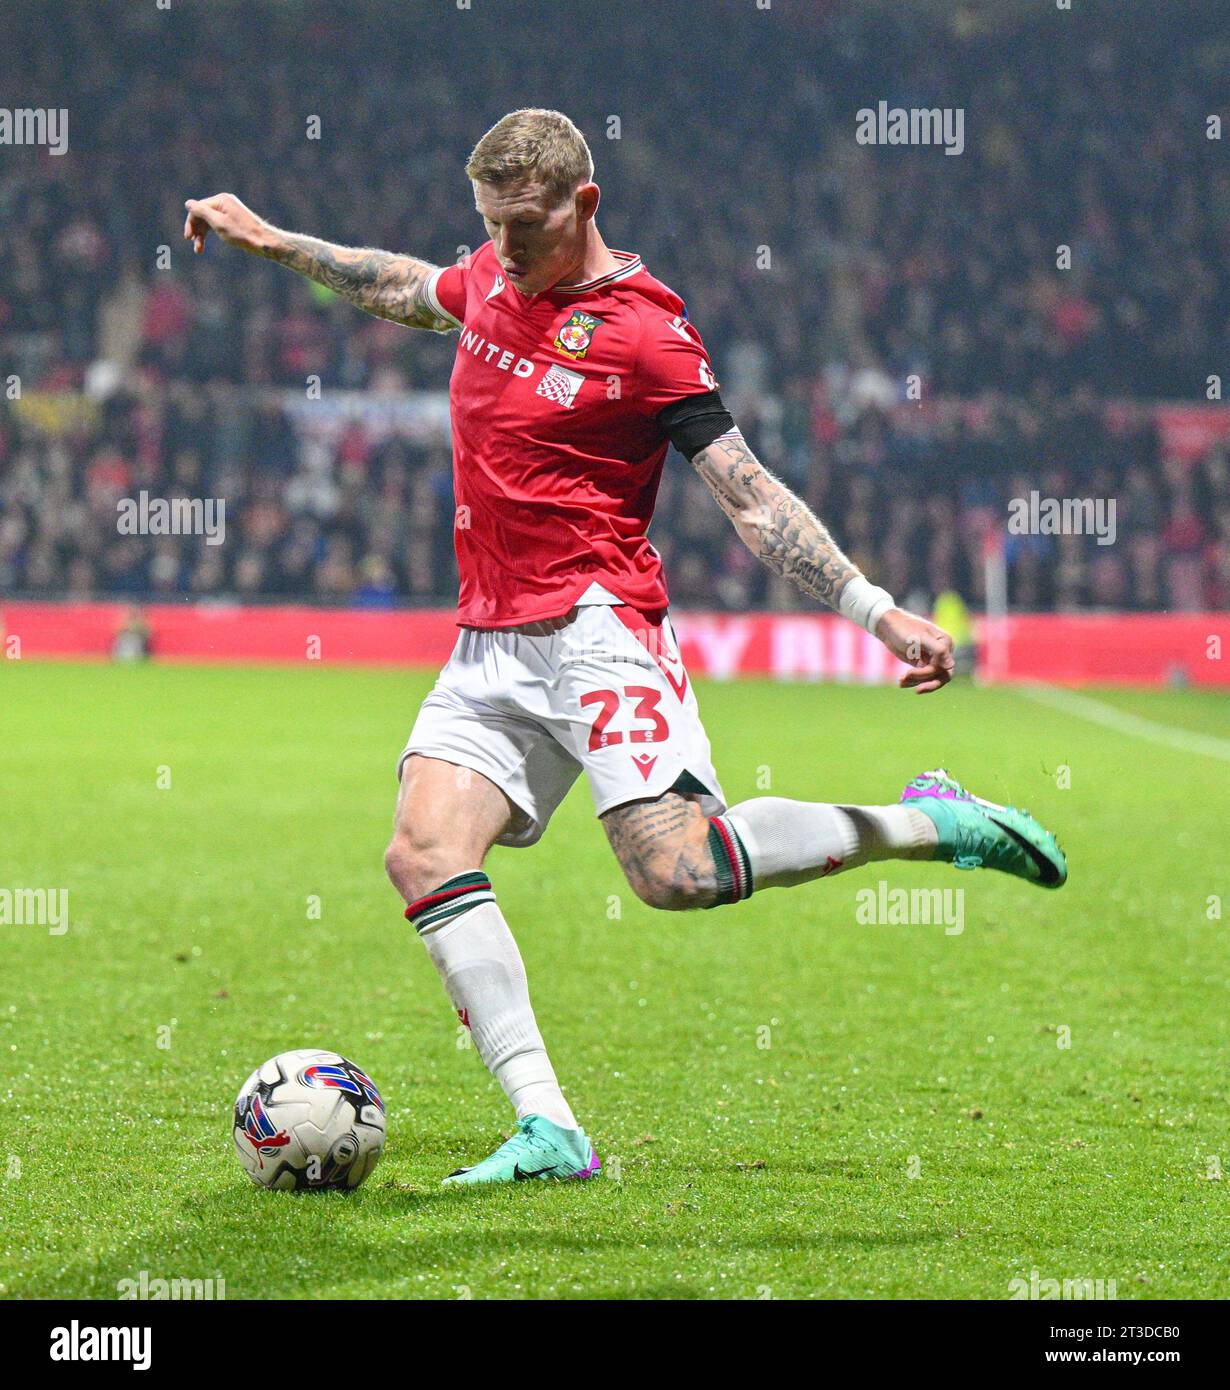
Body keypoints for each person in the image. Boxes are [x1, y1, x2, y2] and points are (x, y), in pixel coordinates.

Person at [184, 108, 1066, 1187]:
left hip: (600, 631)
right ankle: (549, 1129)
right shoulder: (492, 283)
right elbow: (396, 282)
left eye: (526, 224)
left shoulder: (646, 333)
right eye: (490, 225)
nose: (504, 248)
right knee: (420, 850)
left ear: (583, 202)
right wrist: (268, 239)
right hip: (489, 643)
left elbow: (751, 498)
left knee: (677, 873)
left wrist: (875, 608)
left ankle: (931, 820)